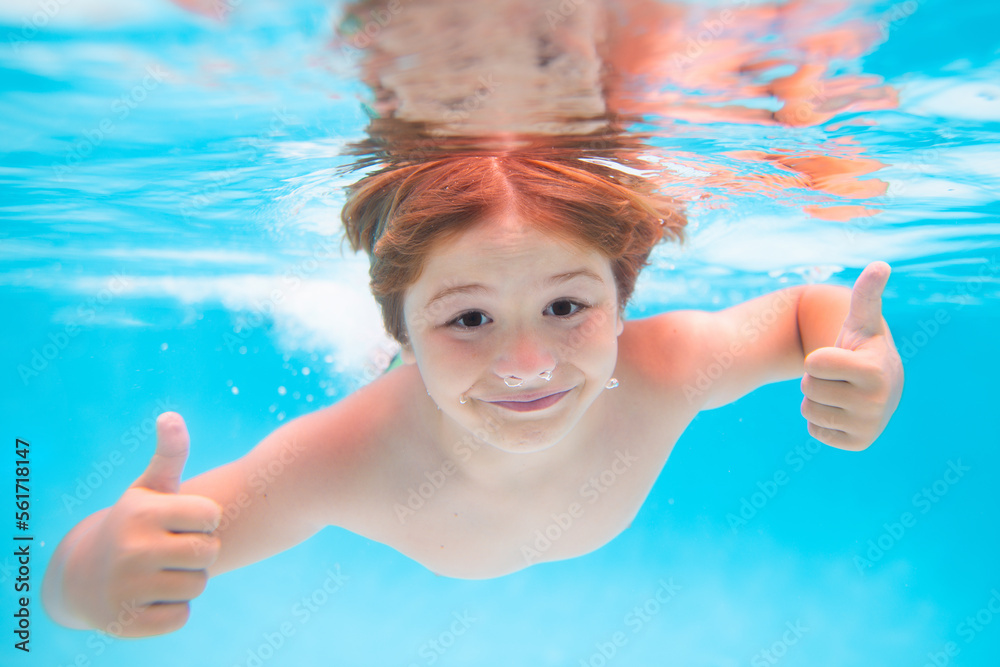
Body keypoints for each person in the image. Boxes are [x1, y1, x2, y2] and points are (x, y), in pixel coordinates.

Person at [42, 0, 905, 640]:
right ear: (404, 332)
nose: (527, 362)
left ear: (623, 300)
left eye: (567, 306)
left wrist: (863, 358)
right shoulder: (348, 455)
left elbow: (806, 314)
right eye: (467, 320)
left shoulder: (661, 362)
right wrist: (94, 571)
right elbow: (50, 589)